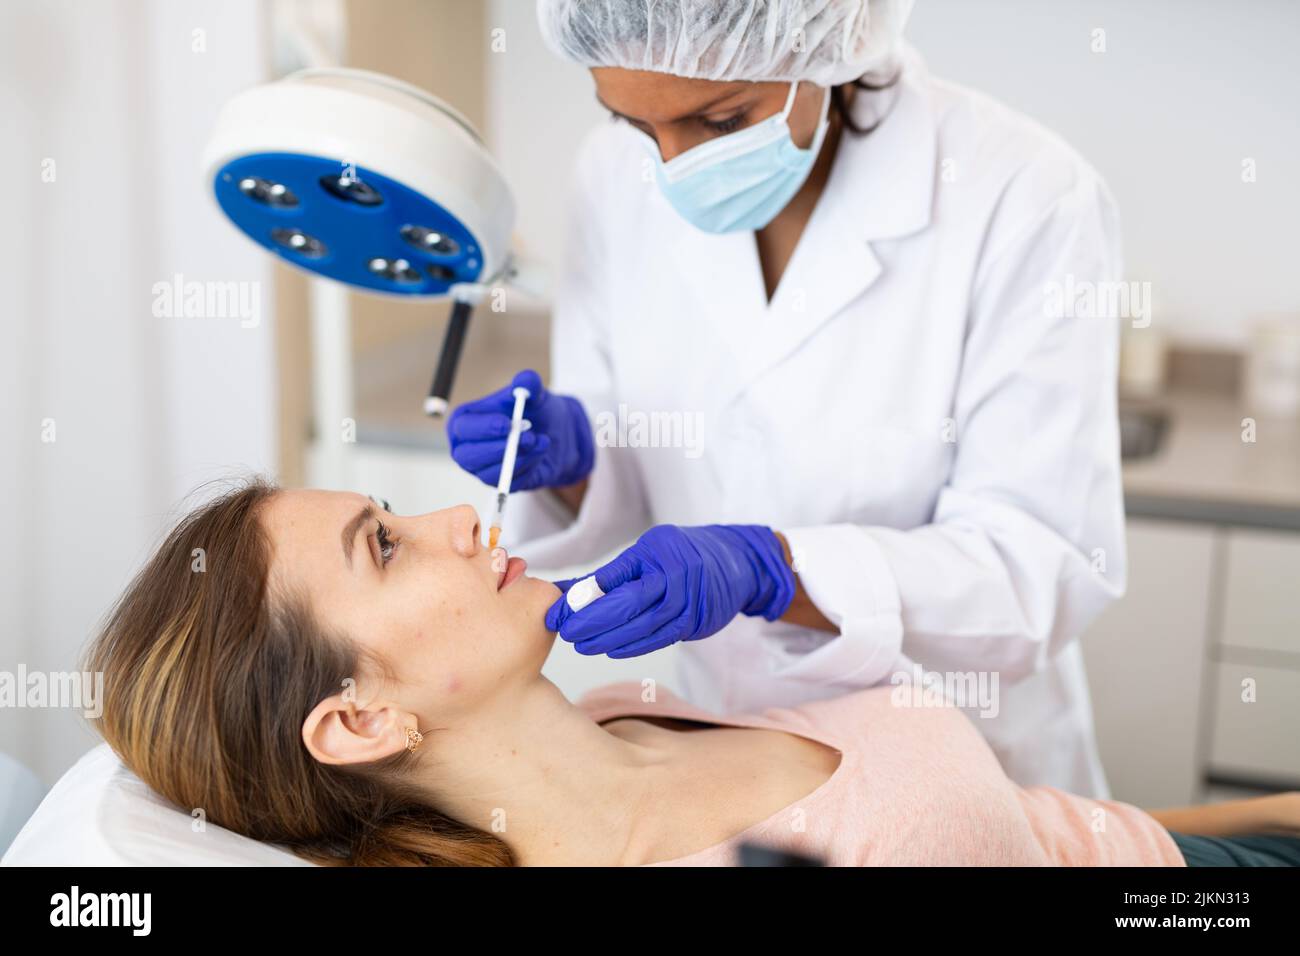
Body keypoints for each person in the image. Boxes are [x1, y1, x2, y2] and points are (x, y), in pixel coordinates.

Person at [445, 0, 1127, 797]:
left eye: (722, 120)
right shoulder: (609, 174)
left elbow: (1036, 567)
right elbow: (633, 455)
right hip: (730, 755)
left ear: (823, 47)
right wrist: (573, 463)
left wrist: (777, 569)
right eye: (637, 128)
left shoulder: (1025, 196)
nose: (672, 170)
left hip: (960, 765)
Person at [83, 482, 1300, 867]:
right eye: (385, 543)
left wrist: (1267, 819)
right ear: (358, 716)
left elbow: (1053, 835)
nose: (461, 515)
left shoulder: (627, 707)